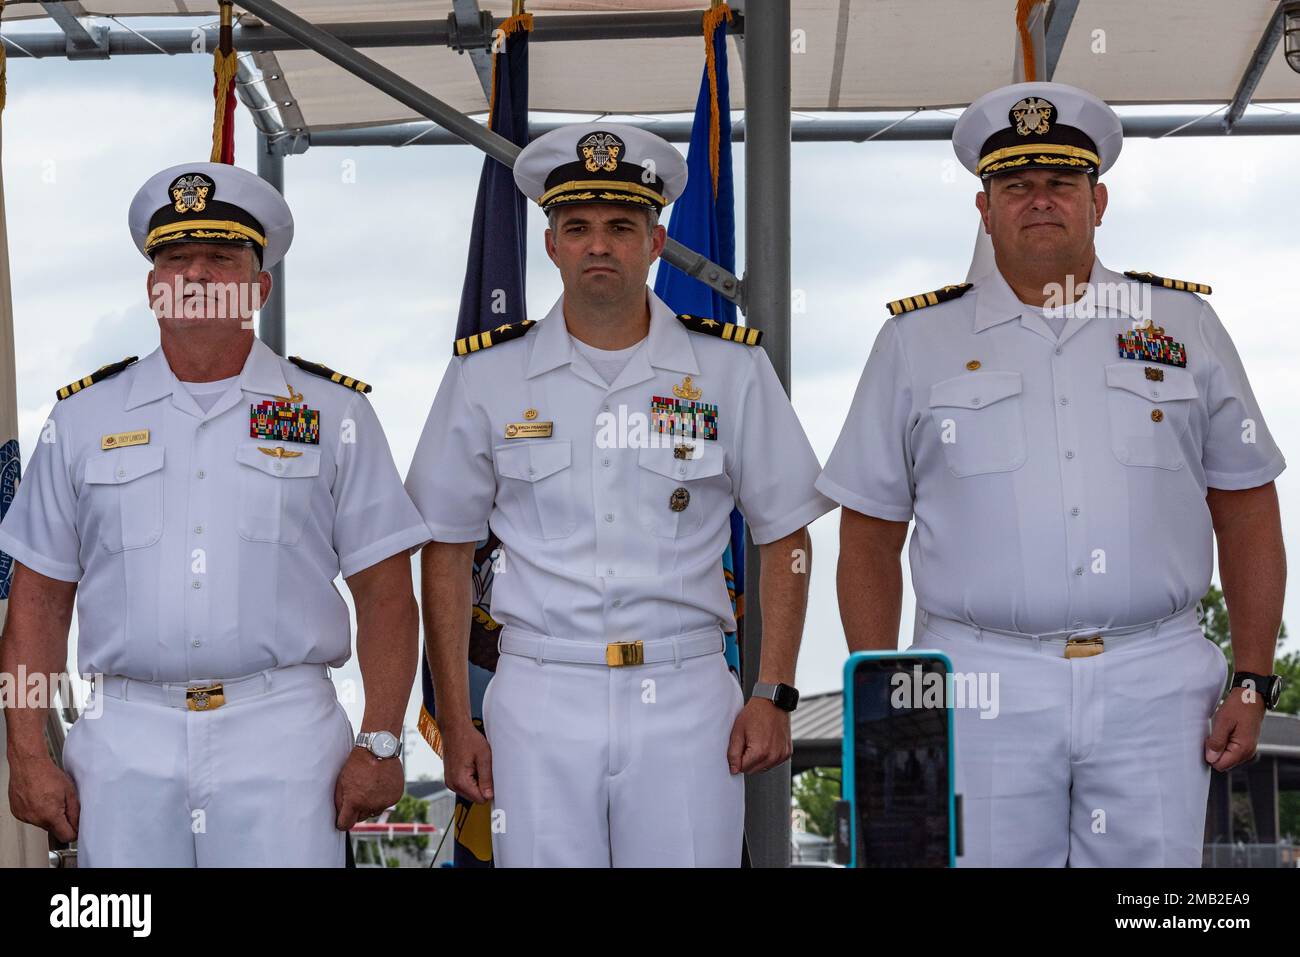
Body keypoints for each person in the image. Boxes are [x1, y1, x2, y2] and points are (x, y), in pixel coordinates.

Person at [818, 82, 1287, 867]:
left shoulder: (1183, 327)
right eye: (1016, 185)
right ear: (985, 208)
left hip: (1155, 680)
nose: (1040, 201)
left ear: (1098, 201)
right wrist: (891, 697)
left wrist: (1253, 678)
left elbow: (1247, 505)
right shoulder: (915, 342)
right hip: (978, 681)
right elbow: (867, 533)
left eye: (1060, 183)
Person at [406, 123, 834, 866]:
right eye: (577, 227)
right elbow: (444, 549)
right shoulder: (486, 378)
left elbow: (786, 535)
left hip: (687, 695)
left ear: (656, 242)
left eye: (620, 227)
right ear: (551, 245)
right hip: (539, 696)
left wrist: (775, 689)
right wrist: (457, 714)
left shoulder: (728, 369)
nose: (598, 244)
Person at [0, 161, 431, 866]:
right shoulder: (80, 421)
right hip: (125, 741)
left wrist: (380, 738)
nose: (196, 275)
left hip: (284, 739)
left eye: (221, 258)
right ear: (152, 287)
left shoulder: (333, 414)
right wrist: (26, 751)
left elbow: (386, 594)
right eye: (176, 258)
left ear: (258, 287)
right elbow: (39, 602)